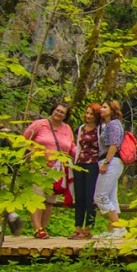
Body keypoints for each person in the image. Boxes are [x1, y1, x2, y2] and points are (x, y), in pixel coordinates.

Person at [22, 99, 74, 238]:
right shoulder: (39, 124)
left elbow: (71, 146)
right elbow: (25, 140)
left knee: (50, 200)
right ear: (52, 110)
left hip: (57, 168)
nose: (59, 113)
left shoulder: (67, 129)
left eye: (62, 112)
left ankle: (43, 228)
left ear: (66, 116)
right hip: (38, 165)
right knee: (37, 196)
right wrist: (29, 154)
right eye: (57, 110)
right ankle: (37, 228)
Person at [93, 99, 128, 239]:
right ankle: (113, 229)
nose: (101, 109)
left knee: (100, 197)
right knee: (111, 196)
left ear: (112, 110)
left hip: (111, 161)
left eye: (105, 107)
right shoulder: (106, 125)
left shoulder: (114, 124)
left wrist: (106, 162)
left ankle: (119, 226)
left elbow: (114, 145)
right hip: (109, 160)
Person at [72, 104, 101, 237]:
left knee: (90, 196)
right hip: (80, 163)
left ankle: (88, 228)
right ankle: (77, 227)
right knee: (79, 196)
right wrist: (75, 163)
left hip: (93, 164)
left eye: (91, 114)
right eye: (87, 113)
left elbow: (101, 147)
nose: (88, 116)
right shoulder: (81, 128)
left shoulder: (100, 129)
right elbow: (78, 146)